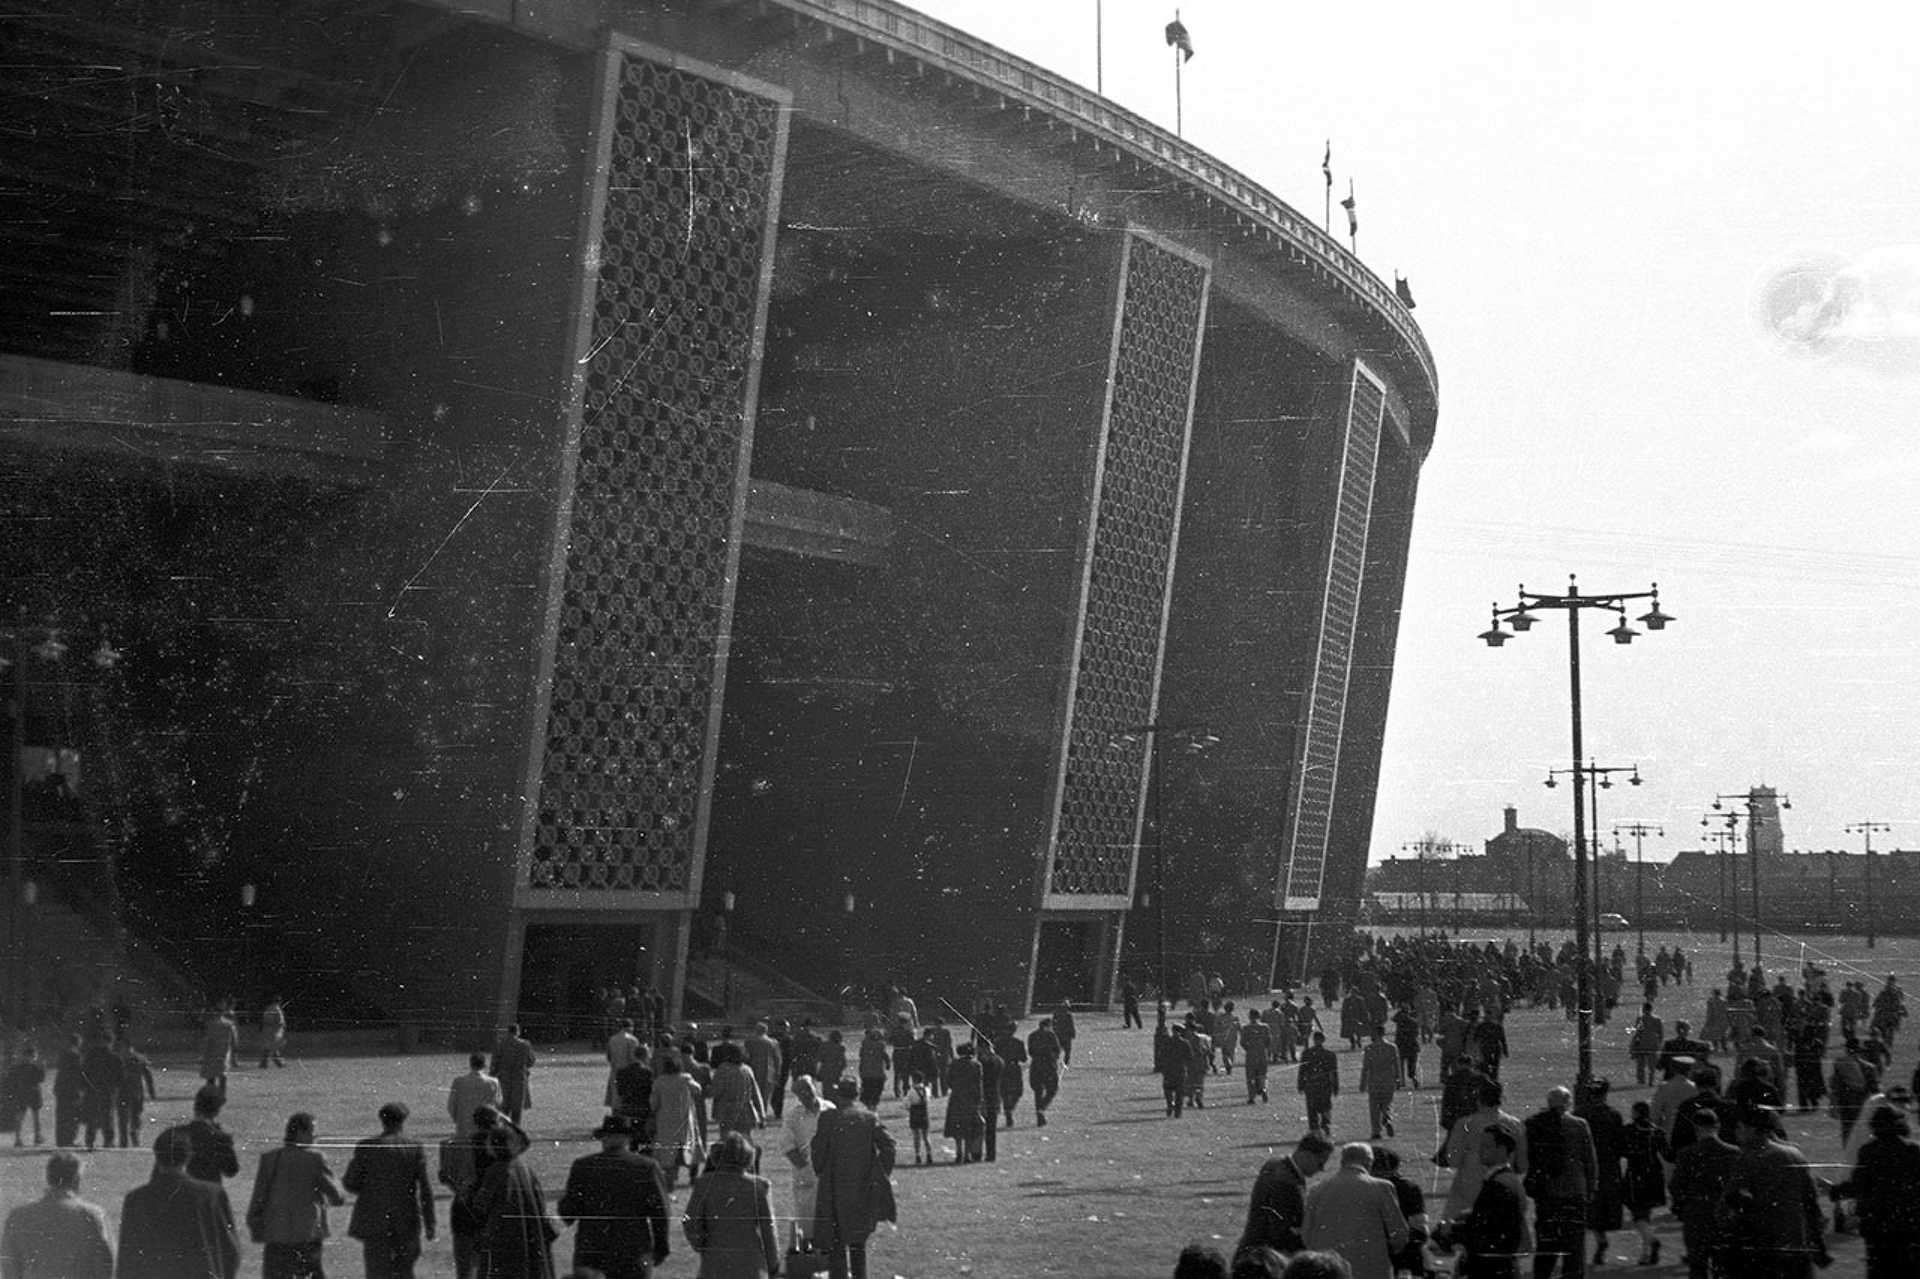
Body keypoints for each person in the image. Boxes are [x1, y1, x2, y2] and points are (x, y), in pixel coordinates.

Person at [1715, 1104, 1828, 1279]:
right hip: (1797, 1241)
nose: (1736, 1132)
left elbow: (1729, 1202)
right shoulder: (1795, 1153)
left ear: (1752, 1129)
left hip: (1766, 1244)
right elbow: (1811, 1201)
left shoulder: (1749, 1158)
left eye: (1740, 1127)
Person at [118, 1128, 242, 1279]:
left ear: (157, 1156)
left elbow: (127, 1259)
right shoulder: (211, 1195)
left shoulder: (136, 1199)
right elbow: (230, 1251)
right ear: (188, 1156)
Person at [559, 1114, 671, 1279]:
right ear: (628, 1139)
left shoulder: (583, 1166)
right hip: (633, 1250)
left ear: (604, 1138)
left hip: (592, 1251)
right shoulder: (646, 1167)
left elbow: (568, 1212)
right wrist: (661, 1247)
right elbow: (660, 1212)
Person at [810, 1078, 897, 1279]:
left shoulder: (828, 1118)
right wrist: (880, 1173)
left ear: (839, 1095)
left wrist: (821, 1169)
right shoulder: (868, 1117)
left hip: (833, 1189)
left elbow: (818, 1151)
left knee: (836, 1245)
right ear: (856, 1095)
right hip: (862, 1187)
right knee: (859, 1245)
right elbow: (889, 1146)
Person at [246, 1111, 345, 1279]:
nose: (315, 1136)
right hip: (307, 1234)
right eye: (312, 1131)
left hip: (276, 1235)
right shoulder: (314, 1159)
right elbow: (337, 1196)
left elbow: (258, 1199)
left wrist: (256, 1225)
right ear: (300, 1133)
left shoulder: (270, 1159)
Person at [343, 1102, 436, 1279]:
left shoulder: (367, 1147)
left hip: (375, 1221)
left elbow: (350, 1183)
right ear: (403, 1120)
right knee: (405, 1271)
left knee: (376, 1272)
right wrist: (430, 1223)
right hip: (406, 1220)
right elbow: (425, 1189)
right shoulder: (414, 1147)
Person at [1832, 1105, 1920, 1279]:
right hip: (1910, 1224)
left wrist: (1835, 1191)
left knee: (1880, 1270)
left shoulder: (1869, 1151)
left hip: (1879, 1224)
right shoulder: (1913, 1150)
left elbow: (1859, 1185)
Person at [1300, 1142, 1408, 1279]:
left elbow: (1307, 1234)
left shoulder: (1316, 1189)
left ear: (1343, 1161)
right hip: (1371, 1268)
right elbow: (1399, 1233)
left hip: (1329, 1269)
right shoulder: (1382, 1187)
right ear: (1369, 1162)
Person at [1523, 1086, 1598, 1279]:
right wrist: (1591, 1188)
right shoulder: (1579, 1124)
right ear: (1568, 1102)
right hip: (1574, 1189)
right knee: (1574, 1247)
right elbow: (1589, 1160)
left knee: (1546, 1245)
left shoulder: (1535, 1123)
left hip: (1547, 1191)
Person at [1, 1151, 113, 1279]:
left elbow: (9, 1269)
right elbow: (104, 1268)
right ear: (76, 1178)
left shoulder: (18, 1216)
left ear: (48, 1177)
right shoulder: (91, 1215)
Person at [683, 1131, 779, 1278]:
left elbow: (690, 1222)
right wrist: (773, 1265)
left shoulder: (703, 1184)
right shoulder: (759, 1187)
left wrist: (701, 1243)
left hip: (714, 1261)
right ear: (748, 1157)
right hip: (750, 1263)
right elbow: (768, 1231)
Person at [1440, 1125, 1529, 1279]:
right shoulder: (1509, 1180)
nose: (1481, 1150)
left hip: (1490, 1268)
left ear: (1501, 1149)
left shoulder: (1498, 1184)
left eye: (1487, 1146)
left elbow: (1485, 1229)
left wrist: (1452, 1229)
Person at [470, 1124, 558, 1279]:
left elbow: (480, 1206)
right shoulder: (523, 1166)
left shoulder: (496, 1171)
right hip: (527, 1233)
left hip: (503, 1238)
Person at [1236, 1132, 1334, 1256]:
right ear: (1306, 1155)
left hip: (1250, 1249)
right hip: (1269, 1259)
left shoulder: (1274, 1164)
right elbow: (1281, 1232)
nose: (1322, 1169)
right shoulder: (1289, 1183)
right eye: (1320, 1163)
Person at [1667, 1108, 1738, 1279]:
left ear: (1696, 1128)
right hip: (1724, 1216)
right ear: (1718, 1126)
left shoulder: (1687, 1154)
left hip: (1696, 1215)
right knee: (1723, 1267)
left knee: (1697, 1268)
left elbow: (1675, 1186)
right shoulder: (1734, 1153)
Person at [1443, 1079, 1527, 1221]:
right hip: (1503, 1187)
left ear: (1478, 1100)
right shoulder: (1515, 1124)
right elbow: (1523, 1165)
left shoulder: (1464, 1124)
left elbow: (1453, 1161)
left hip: (1467, 1190)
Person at [1573, 1079, 1625, 1268]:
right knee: (1605, 1204)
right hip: (1609, 1164)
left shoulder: (1580, 1114)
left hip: (1586, 1164)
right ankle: (1601, 1236)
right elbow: (1620, 1143)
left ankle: (1598, 1237)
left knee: (1589, 1205)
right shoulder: (1614, 1115)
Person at [780, 1076, 835, 1249]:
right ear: (797, 1096)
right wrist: (804, 1170)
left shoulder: (830, 1109)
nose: (807, 1095)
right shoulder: (793, 1116)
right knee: (806, 1222)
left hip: (829, 1172)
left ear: (815, 1087)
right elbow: (787, 1146)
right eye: (802, 1093)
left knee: (830, 1221)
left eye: (809, 1090)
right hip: (807, 1173)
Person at [159, 1085, 241, 1186]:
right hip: (209, 1193)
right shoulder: (220, 1138)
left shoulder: (174, 1134)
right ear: (217, 1111)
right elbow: (231, 1171)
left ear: (195, 1107)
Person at [1619, 1100, 1667, 1266]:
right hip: (1654, 1174)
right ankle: (1646, 1254)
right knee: (1646, 1214)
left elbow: (1622, 1151)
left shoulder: (1629, 1130)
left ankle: (1652, 1241)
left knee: (1638, 1214)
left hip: (1635, 1174)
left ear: (1636, 1113)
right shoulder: (1656, 1131)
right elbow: (1667, 1153)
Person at [649, 1051, 707, 1191]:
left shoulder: (659, 1081)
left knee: (669, 1154)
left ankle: (670, 1183)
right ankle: (693, 1177)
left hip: (666, 1121)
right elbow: (698, 1089)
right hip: (684, 1120)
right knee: (691, 1149)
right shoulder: (685, 1078)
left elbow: (653, 1103)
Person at [114, 1036, 157, 1150]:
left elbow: (148, 1076)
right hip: (132, 1092)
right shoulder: (136, 1058)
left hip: (130, 1092)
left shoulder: (124, 1058)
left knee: (132, 1117)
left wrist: (152, 1092)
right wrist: (151, 1092)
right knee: (128, 1118)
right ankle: (127, 1141)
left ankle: (130, 1139)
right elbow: (148, 1077)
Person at [1358, 1025, 1400, 1140]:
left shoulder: (1369, 1049)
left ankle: (1376, 1131)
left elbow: (1366, 1068)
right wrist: (1398, 1079)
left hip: (1374, 1080)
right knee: (1387, 1103)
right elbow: (1396, 1065)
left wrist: (1363, 1083)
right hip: (1388, 1079)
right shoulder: (1392, 1047)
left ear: (1376, 1034)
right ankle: (1388, 1118)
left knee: (1374, 1107)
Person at [448, 1053, 503, 1139]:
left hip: (464, 1129)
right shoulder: (493, 1082)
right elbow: (498, 1106)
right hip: (486, 1130)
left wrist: (459, 1121)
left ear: (470, 1064)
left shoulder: (459, 1082)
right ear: (484, 1065)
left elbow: (451, 1106)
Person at [491, 1025, 536, 1125]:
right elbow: (531, 1061)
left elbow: (495, 1062)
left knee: (504, 1105)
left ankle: (503, 1129)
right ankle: (515, 1129)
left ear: (508, 1032)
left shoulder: (500, 1044)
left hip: (503, 1077)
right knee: (517, 1107)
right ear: (518, 1032)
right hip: (519, 1077)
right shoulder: (525, 1045)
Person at [4, 1044, 46, 1147]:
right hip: (34, 1093)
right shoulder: (35, 1067)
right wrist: (43, 1068)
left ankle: (18, 1139)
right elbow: (41, 1079)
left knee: (20, 1117)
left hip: (21, 1093)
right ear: (33, 1056)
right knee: (36, 1117)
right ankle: (37, 1137)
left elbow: (11, 1079)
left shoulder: (18, 1067)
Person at [1298, 1032, 1339, 1135]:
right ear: (1323, 1040)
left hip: (1311, 1084)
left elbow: (1302, 1071)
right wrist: (1336, 1086)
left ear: (1314, 1040)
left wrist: (1300, 1084)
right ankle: (1325, 1123)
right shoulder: (1330, 1054)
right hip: (1325, 1084)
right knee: (1326, 1105)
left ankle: (1314, 1129)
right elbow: (1334, 1072)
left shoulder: (1307, 1053)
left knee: (1312, 1108)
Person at [1027, 1017, 1062, 1126]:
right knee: (1052, 1089)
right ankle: (1042, 1108)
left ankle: (1039, 1116)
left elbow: (1030, 1052)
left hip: (1036, 1065)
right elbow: (1057, 1050)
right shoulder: (1051, 1035)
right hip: (1049, 1066)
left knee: (1038, 1091)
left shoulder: (1032, 1035)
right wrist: (1054, 1059)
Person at [199, 1003, 239, 1097]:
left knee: (211, 1075)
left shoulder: (211, 1024)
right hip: (224, 1052)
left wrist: (204, 1052)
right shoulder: (229, 1024)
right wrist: (235, 1048)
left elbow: (207, 1040)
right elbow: (234, 1038)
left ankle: (210, 1094)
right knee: (222, 1074)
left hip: (212, 1052)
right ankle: (222, 1094)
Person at [1242, 1010, 1273, 1105]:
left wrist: (1248, 1048)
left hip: (1251, 1054)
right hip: (1262, 1053)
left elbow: (1243, 1042)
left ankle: (1252, 1097)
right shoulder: (1265, 1027)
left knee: (1250, 1076)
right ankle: (1263, 1089)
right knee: (1262, 1075)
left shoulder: (1246, 1028)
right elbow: (1269, 1040)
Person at [259, 997, 288, 1068]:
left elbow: (263, 1020)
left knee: (268, 1047)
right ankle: (278, 1063)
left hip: (267, 1030)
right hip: (275, 1031)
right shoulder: (277, 1009)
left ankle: (264, 1063)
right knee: (273, 1048)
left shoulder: (268, 1008)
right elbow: (280, 1022)